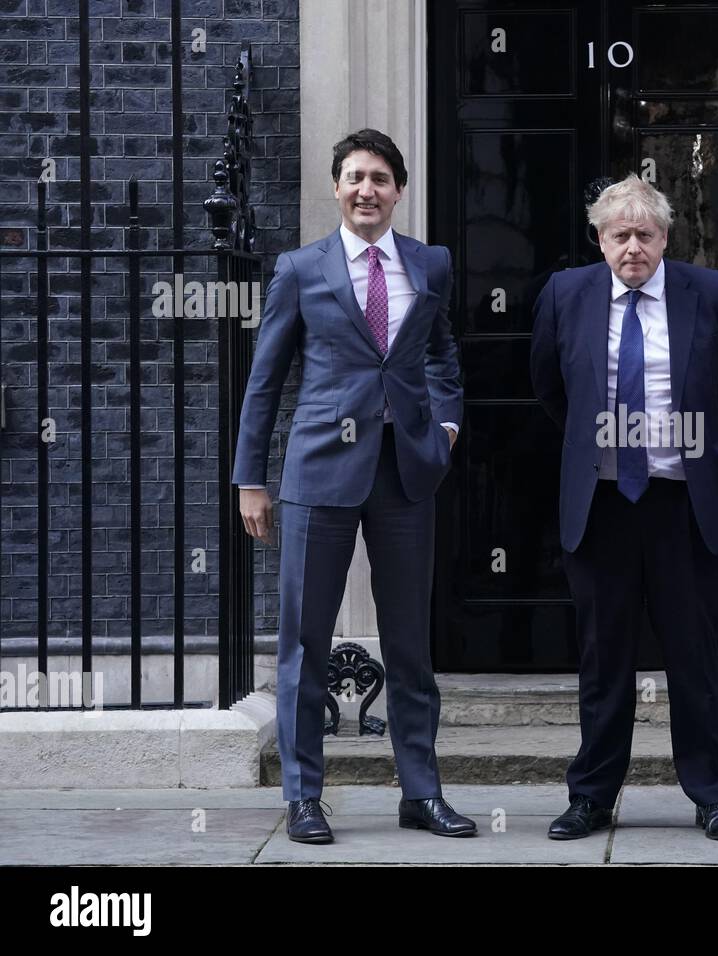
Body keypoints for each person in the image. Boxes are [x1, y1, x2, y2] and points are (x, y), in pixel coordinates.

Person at [233, 129, 474, 843]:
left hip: (405, 473)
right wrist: (250, 479)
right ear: (336, 188)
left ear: (399, 191)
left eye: (380, 178)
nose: (366, 189)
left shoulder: (430, 263)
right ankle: (305, 797)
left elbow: (442, 354)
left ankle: (421, 793)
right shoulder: (298, 269)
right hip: (319, 473)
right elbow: (265, 380)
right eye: (354, 177)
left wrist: (447, 426)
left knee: (410, 646)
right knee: (305, 645)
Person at [530, 174, 718, 841]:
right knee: (603, 659)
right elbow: (549, 386)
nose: (633, 247)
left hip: (682, 504)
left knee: (695, 657)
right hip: (601, 505)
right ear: (599, 240)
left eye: (645, 235)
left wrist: (690, 445)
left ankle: (713, 796)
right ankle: (592, 797)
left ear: (665, 237)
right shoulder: (564, 294)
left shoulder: (714, 294)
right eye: (619, 235)